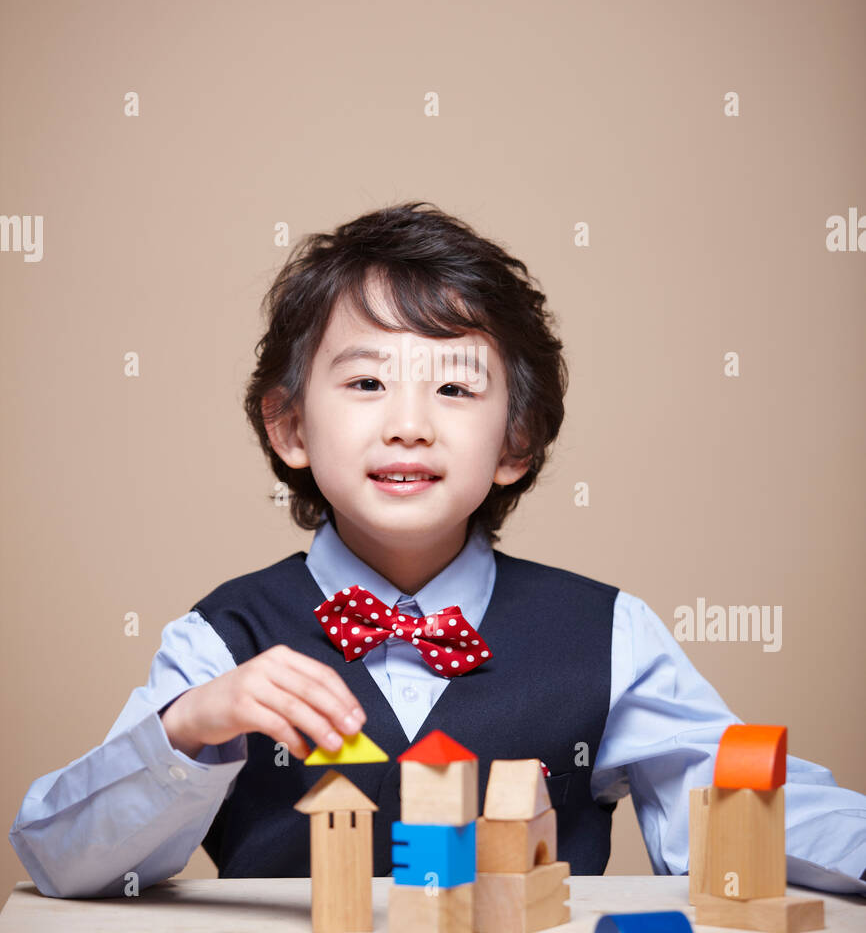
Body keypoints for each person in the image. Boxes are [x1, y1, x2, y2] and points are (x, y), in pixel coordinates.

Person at [9, 202, 866, 897]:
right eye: (366, 382)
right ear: (291, 425)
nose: (410, 425)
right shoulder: (221, 639)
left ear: (514, 443)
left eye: (456, 387)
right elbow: (65, 859)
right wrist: (191, 727)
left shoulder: (607, 633)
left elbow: (755, 811)